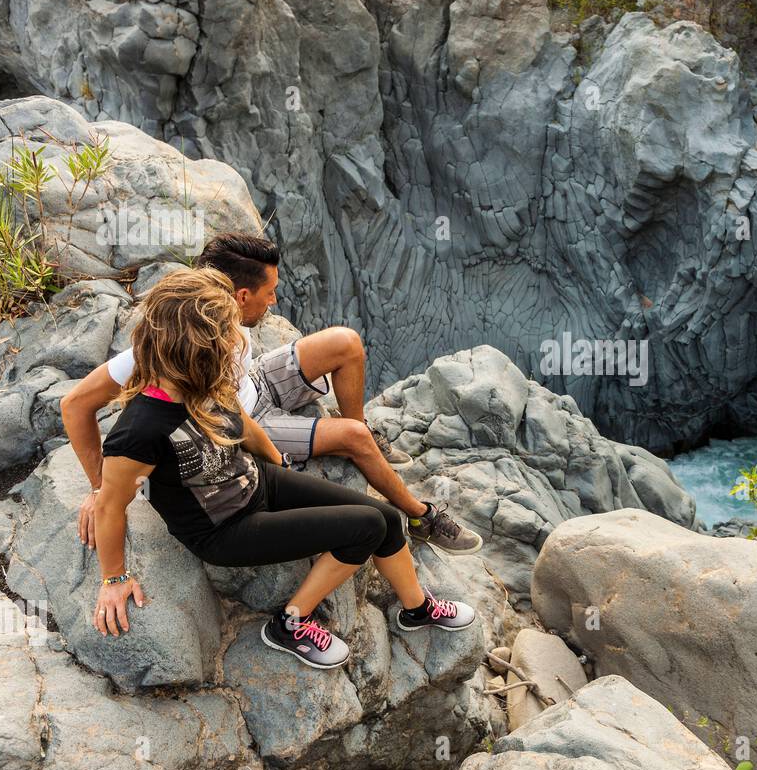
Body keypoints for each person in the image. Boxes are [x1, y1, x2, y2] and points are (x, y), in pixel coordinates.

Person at [92, 267, 475, 670]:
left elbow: (243, 422)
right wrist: (114, 578)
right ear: (198, 346)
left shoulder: (201, 381)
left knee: (384, 516)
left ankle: (415, 609)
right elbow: (110, 506)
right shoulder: (141, 429)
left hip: (256, 482)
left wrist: (279, 463)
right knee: (366, 528)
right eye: (224, 333)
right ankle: (289, 624)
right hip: (223, 530)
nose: (233, 340)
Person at [62, 232, 481, 556]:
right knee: (355, 439)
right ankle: (420, 516)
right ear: (242, 297)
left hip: (257, 381)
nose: (275, 300)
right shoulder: (173, 344)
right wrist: (101, 487)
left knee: (346, 342)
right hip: (244, 421)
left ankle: (362, 428)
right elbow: (76, 403)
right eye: (269, 293)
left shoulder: (223, 314)